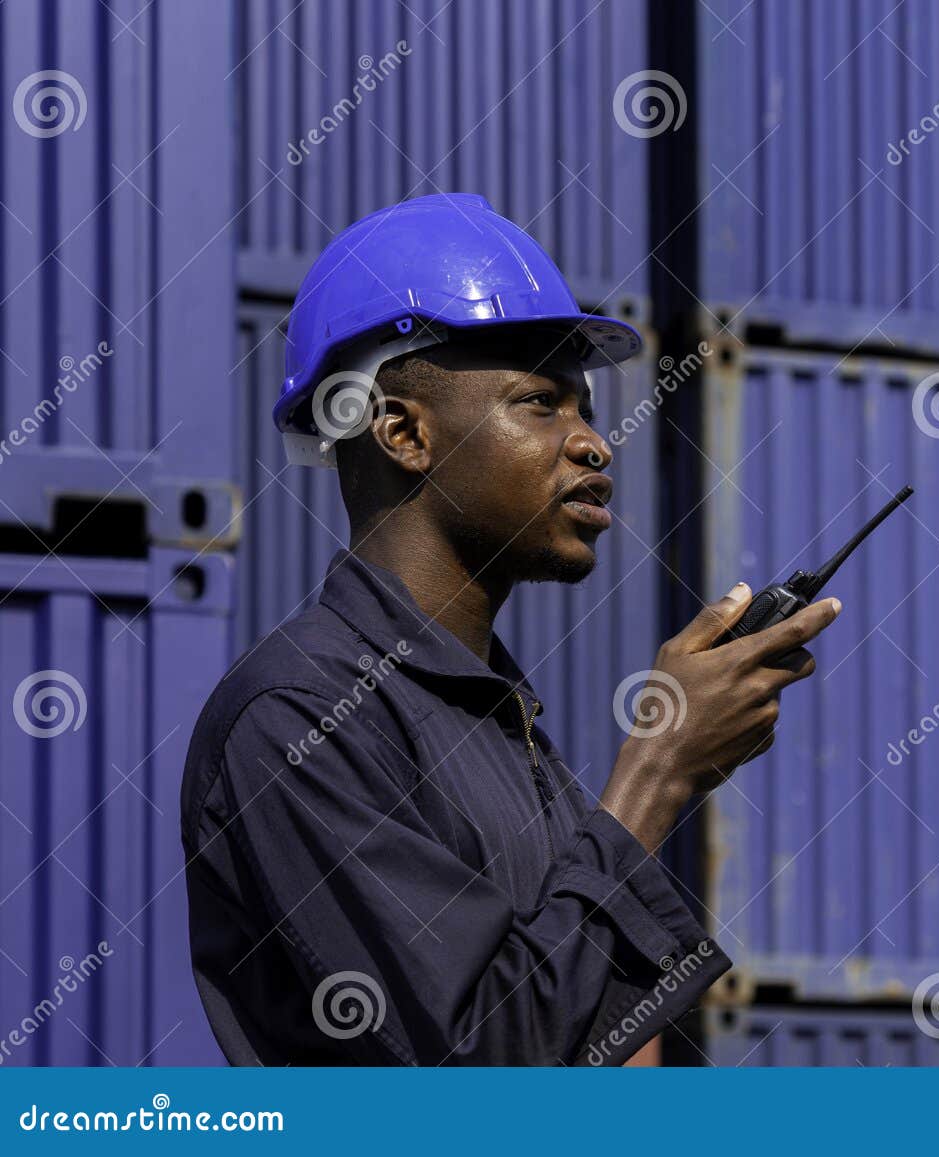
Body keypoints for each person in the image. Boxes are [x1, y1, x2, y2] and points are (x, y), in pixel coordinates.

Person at [179, 193, 839, 1065]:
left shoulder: (494, 719)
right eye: (541, 404)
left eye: (587, 408)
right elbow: (484, 1067)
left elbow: (602, 1043)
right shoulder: (299, 716)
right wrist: (658, 771)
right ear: (405, 433)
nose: (595, 443)